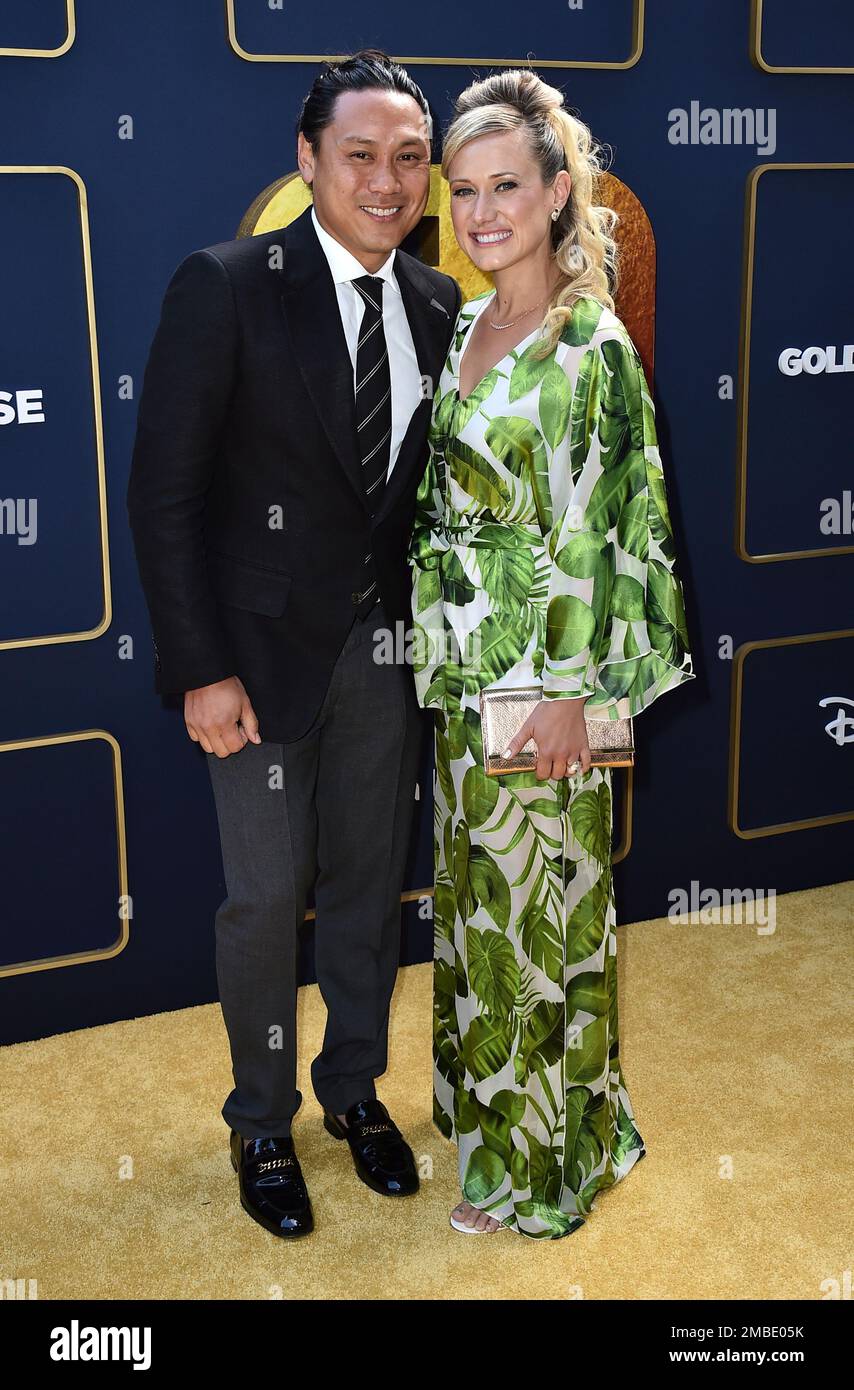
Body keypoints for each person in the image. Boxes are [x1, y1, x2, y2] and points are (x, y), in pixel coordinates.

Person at [127, 50, 460, 1239]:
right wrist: (199, 668)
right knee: (266, 902)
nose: (387, 178)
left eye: (409, 156)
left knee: (369, 891)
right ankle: (261, 1120)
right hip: (257, 667)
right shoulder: (225, 285)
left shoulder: (433, 301)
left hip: (388, 659)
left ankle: (352, 1093)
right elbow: (163, 497)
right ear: (307, 159)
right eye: (360, 153)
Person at [408, 69, 695, 1238]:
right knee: (481, 917)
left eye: (505, 187)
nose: (480, 213)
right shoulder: (472, 320)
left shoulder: (589, 345)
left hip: (544, 688)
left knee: (541, 928)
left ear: (556, 191)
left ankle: (542, 1173)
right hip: (461, 677)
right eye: (463, 189)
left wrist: (578, 700)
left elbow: (616, 531)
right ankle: (523, 1127)